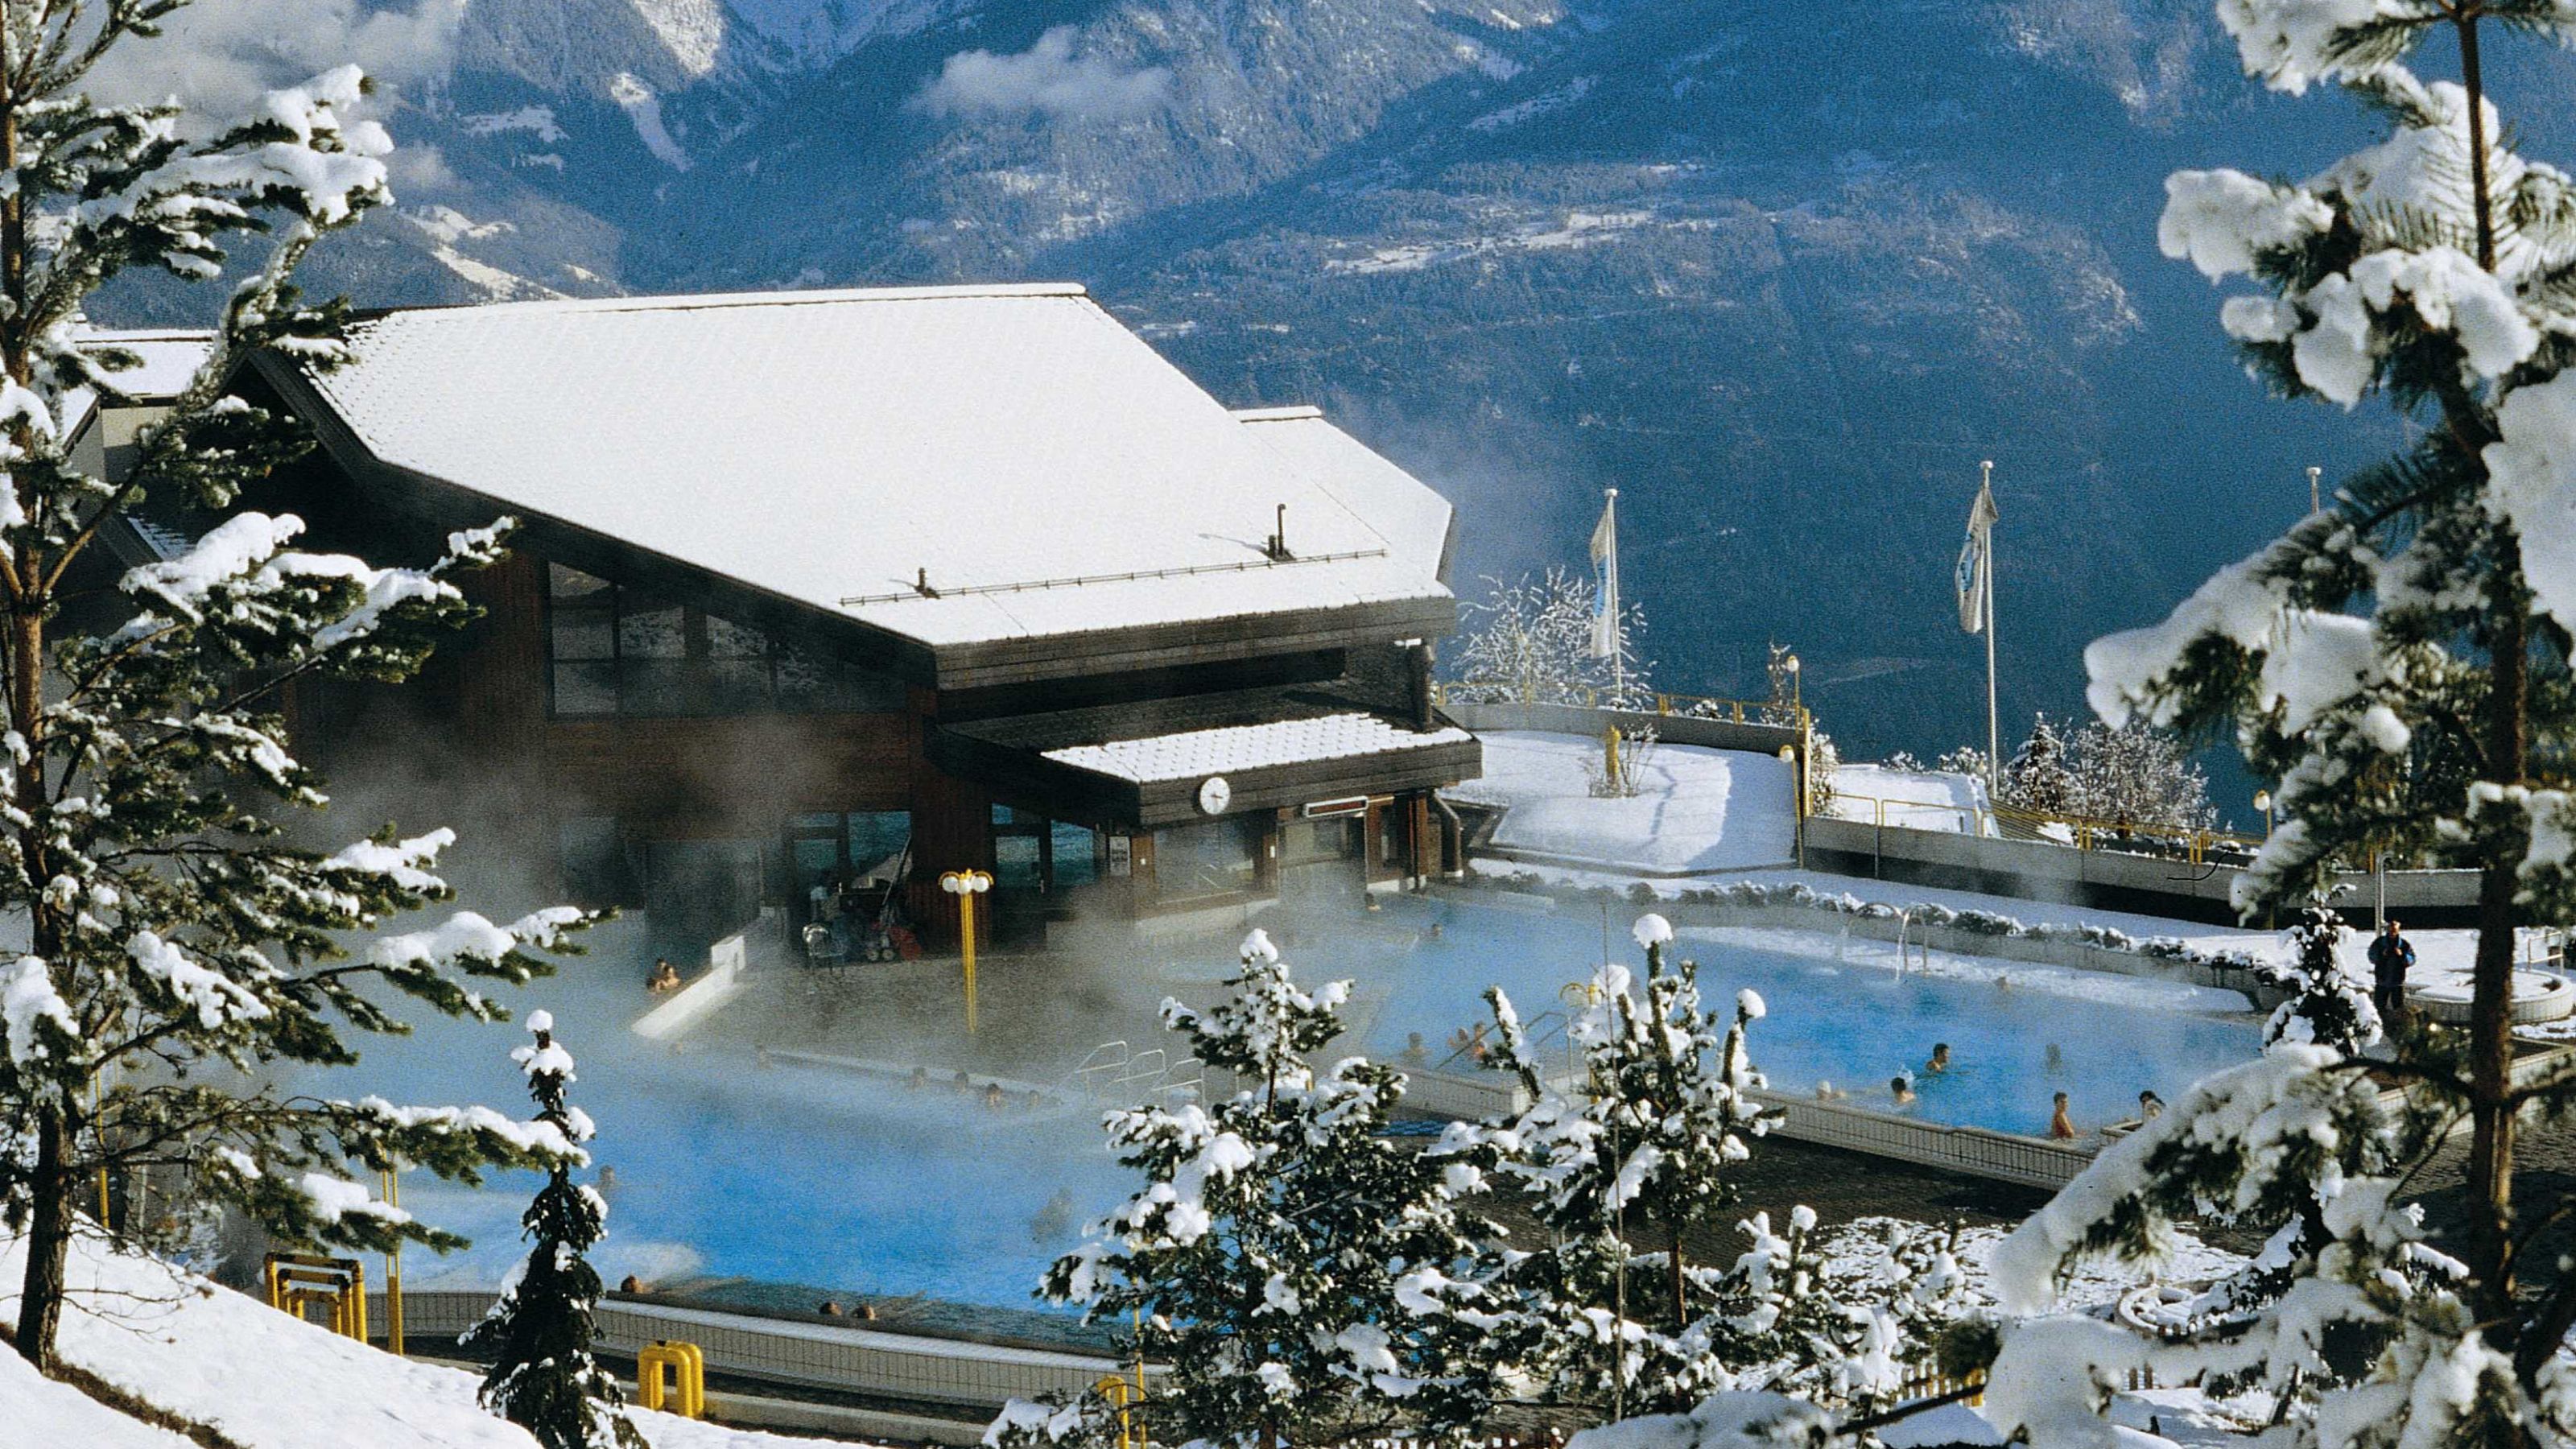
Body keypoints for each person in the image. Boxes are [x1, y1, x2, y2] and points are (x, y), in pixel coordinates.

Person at [2369, 919, 2417, 1026]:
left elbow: (2412, 959)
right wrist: (2382, 954)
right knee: (2379, 1007)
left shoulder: (2404, 944)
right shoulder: (2379, 943)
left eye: (2394, 930)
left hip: (2397, 982)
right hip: (2382, 981)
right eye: (2390, 930)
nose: (2392, 932)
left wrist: (2403, 955)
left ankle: (2398, 1027)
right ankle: (2379, 1025)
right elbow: (2371, 957)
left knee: (2398, 1007)